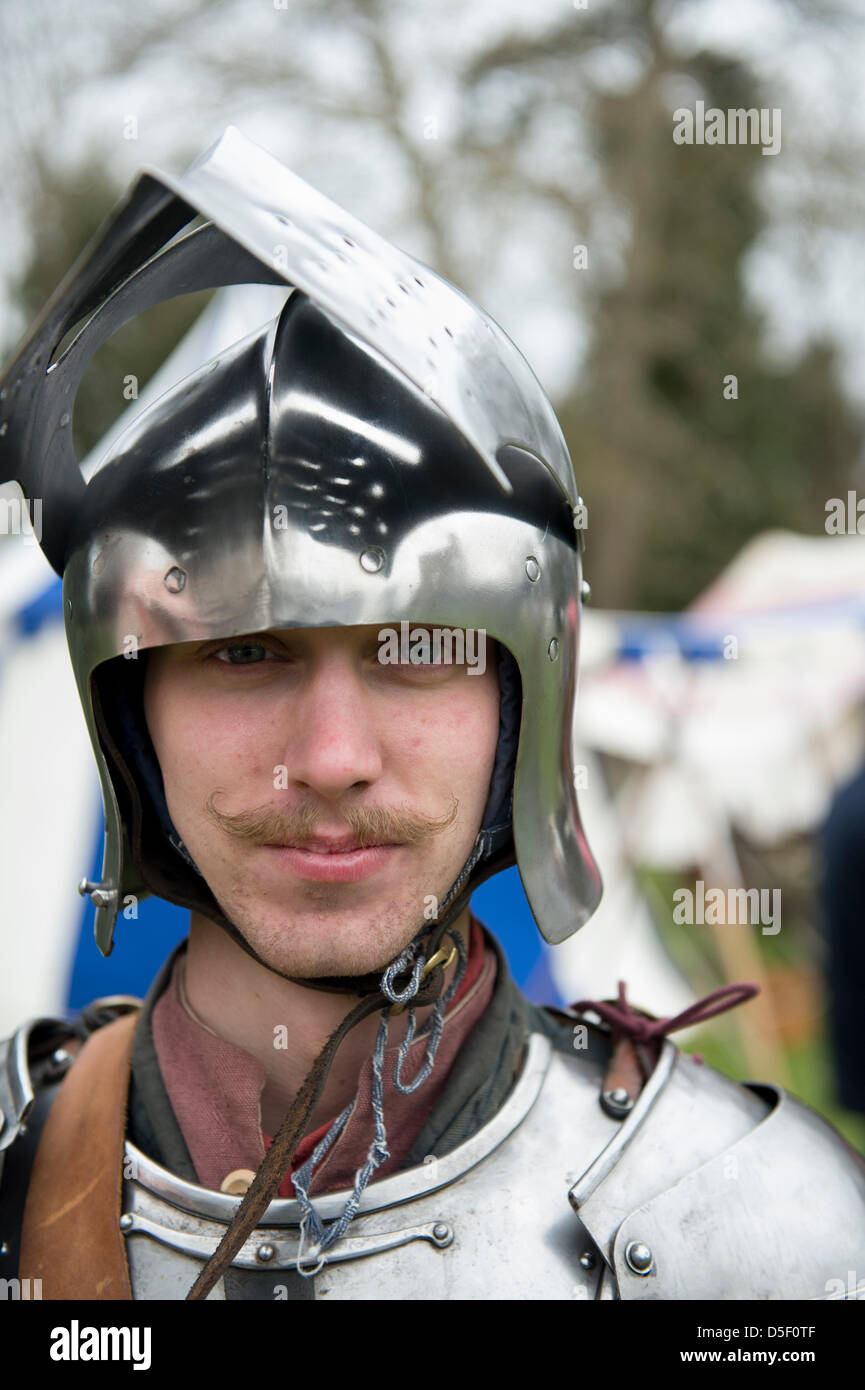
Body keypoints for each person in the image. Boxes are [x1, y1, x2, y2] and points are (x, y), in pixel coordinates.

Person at [1, 129, 863, 1302]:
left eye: (419, 651)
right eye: (244, 651)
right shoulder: (18, 1188)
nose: (334, 758)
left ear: (523, 700)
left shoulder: (752, 1226)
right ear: (129, 714)